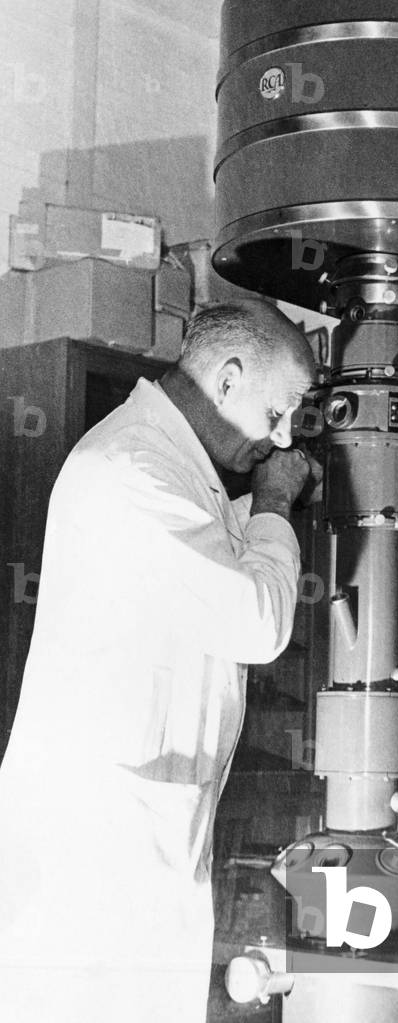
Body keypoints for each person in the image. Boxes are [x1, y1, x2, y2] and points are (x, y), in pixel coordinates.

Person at [0, 302, 318, 1023]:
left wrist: (257, 513)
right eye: (279, 410)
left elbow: (201, 558)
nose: (284, 435)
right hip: (92, 867)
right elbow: (256, 620)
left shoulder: (164, 467)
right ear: (230, 379)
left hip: (131, 852)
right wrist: (273, 504)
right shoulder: (131, 467)